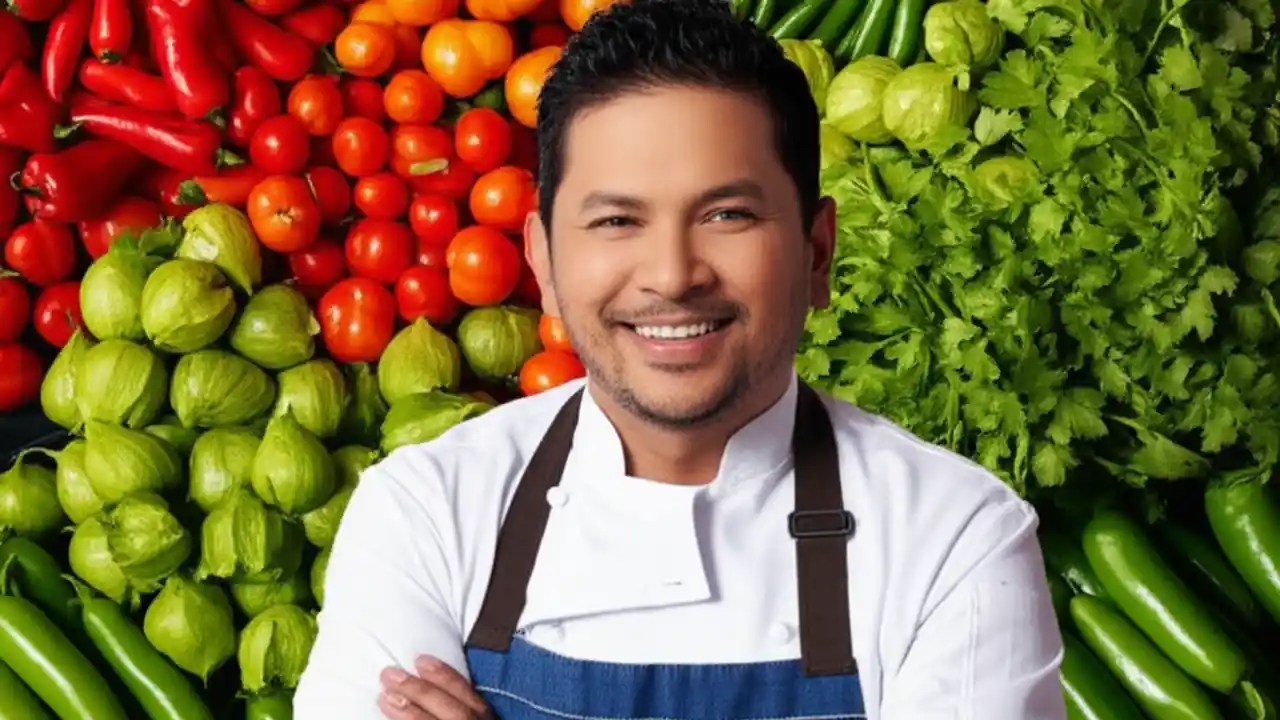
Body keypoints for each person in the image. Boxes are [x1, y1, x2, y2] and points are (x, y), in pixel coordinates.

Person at [293, 1, 1067, 717]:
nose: (672, 273)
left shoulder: (954, 538)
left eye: (727, 214)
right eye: (617, 219)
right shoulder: (427, 512)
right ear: (545, 264)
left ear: (817, 251)